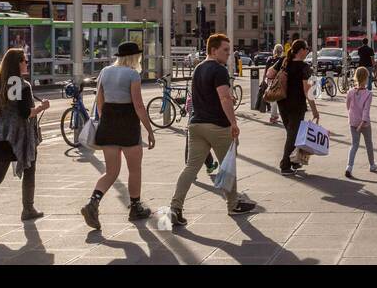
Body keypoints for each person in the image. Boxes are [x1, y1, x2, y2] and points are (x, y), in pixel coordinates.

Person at [167, 34, 256, 227]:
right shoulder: (219, 70)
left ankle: (175, 207)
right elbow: (224, 98)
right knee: (227, 166)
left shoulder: (198, 68)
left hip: (196, 124)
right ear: (213, 50)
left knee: (191, 167)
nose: (228, 54)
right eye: (225, 50)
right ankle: (233, 204)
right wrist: (233, 123)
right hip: (217, 126)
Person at [80, 41, 158, 232]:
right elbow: (138, 105)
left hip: (108, 124)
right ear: (134, 57)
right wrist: (149, 130)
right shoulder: (133, 74)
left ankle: (93, 202)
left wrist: (106, 118)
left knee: (112, 171)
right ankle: (136, 207)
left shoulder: (105, 71)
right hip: (128, 125)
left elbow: (100, 101)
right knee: (134, 169)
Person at [0, 48, 48, 231]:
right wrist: (42, 107)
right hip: (19, 137)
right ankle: (28, 208)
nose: (27, 63)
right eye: (24, 61)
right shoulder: (23, 85)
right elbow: (24, 113)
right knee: (29, 168)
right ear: (17, 63)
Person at [274, 38, 320, 176]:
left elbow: (270, 73)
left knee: (291, 132)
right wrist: (315, 110)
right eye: (306, 49)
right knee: (293, 134)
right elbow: (307, 91)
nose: (308, 51)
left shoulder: (284, 61)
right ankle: (285, 164)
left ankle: (294, 161)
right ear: (301, 50)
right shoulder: (304, 67)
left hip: (282, 102)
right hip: (296, 105)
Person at [344, 66, 377, 178]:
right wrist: (363, 122)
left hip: (352, 121)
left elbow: (347, 105)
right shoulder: (368, 94)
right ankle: (372, 165)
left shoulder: (350, 92)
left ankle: (349, 167)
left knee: (354, 145)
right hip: (364, 123)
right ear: (366, 78)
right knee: (368, 143)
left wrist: (352, 115)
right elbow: (366, 110)